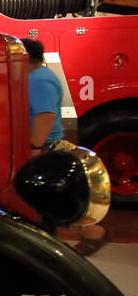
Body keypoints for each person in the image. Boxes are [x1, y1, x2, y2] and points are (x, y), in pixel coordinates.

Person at [22, 37, 107, 255]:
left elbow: (45, 115)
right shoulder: (41, 76)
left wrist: (34, 146)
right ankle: (72, 238)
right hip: (45, 144)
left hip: (45, 145)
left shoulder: (38, 80)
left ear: (25, 57)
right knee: (50, 199)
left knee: (48, 197)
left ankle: (87, 234)